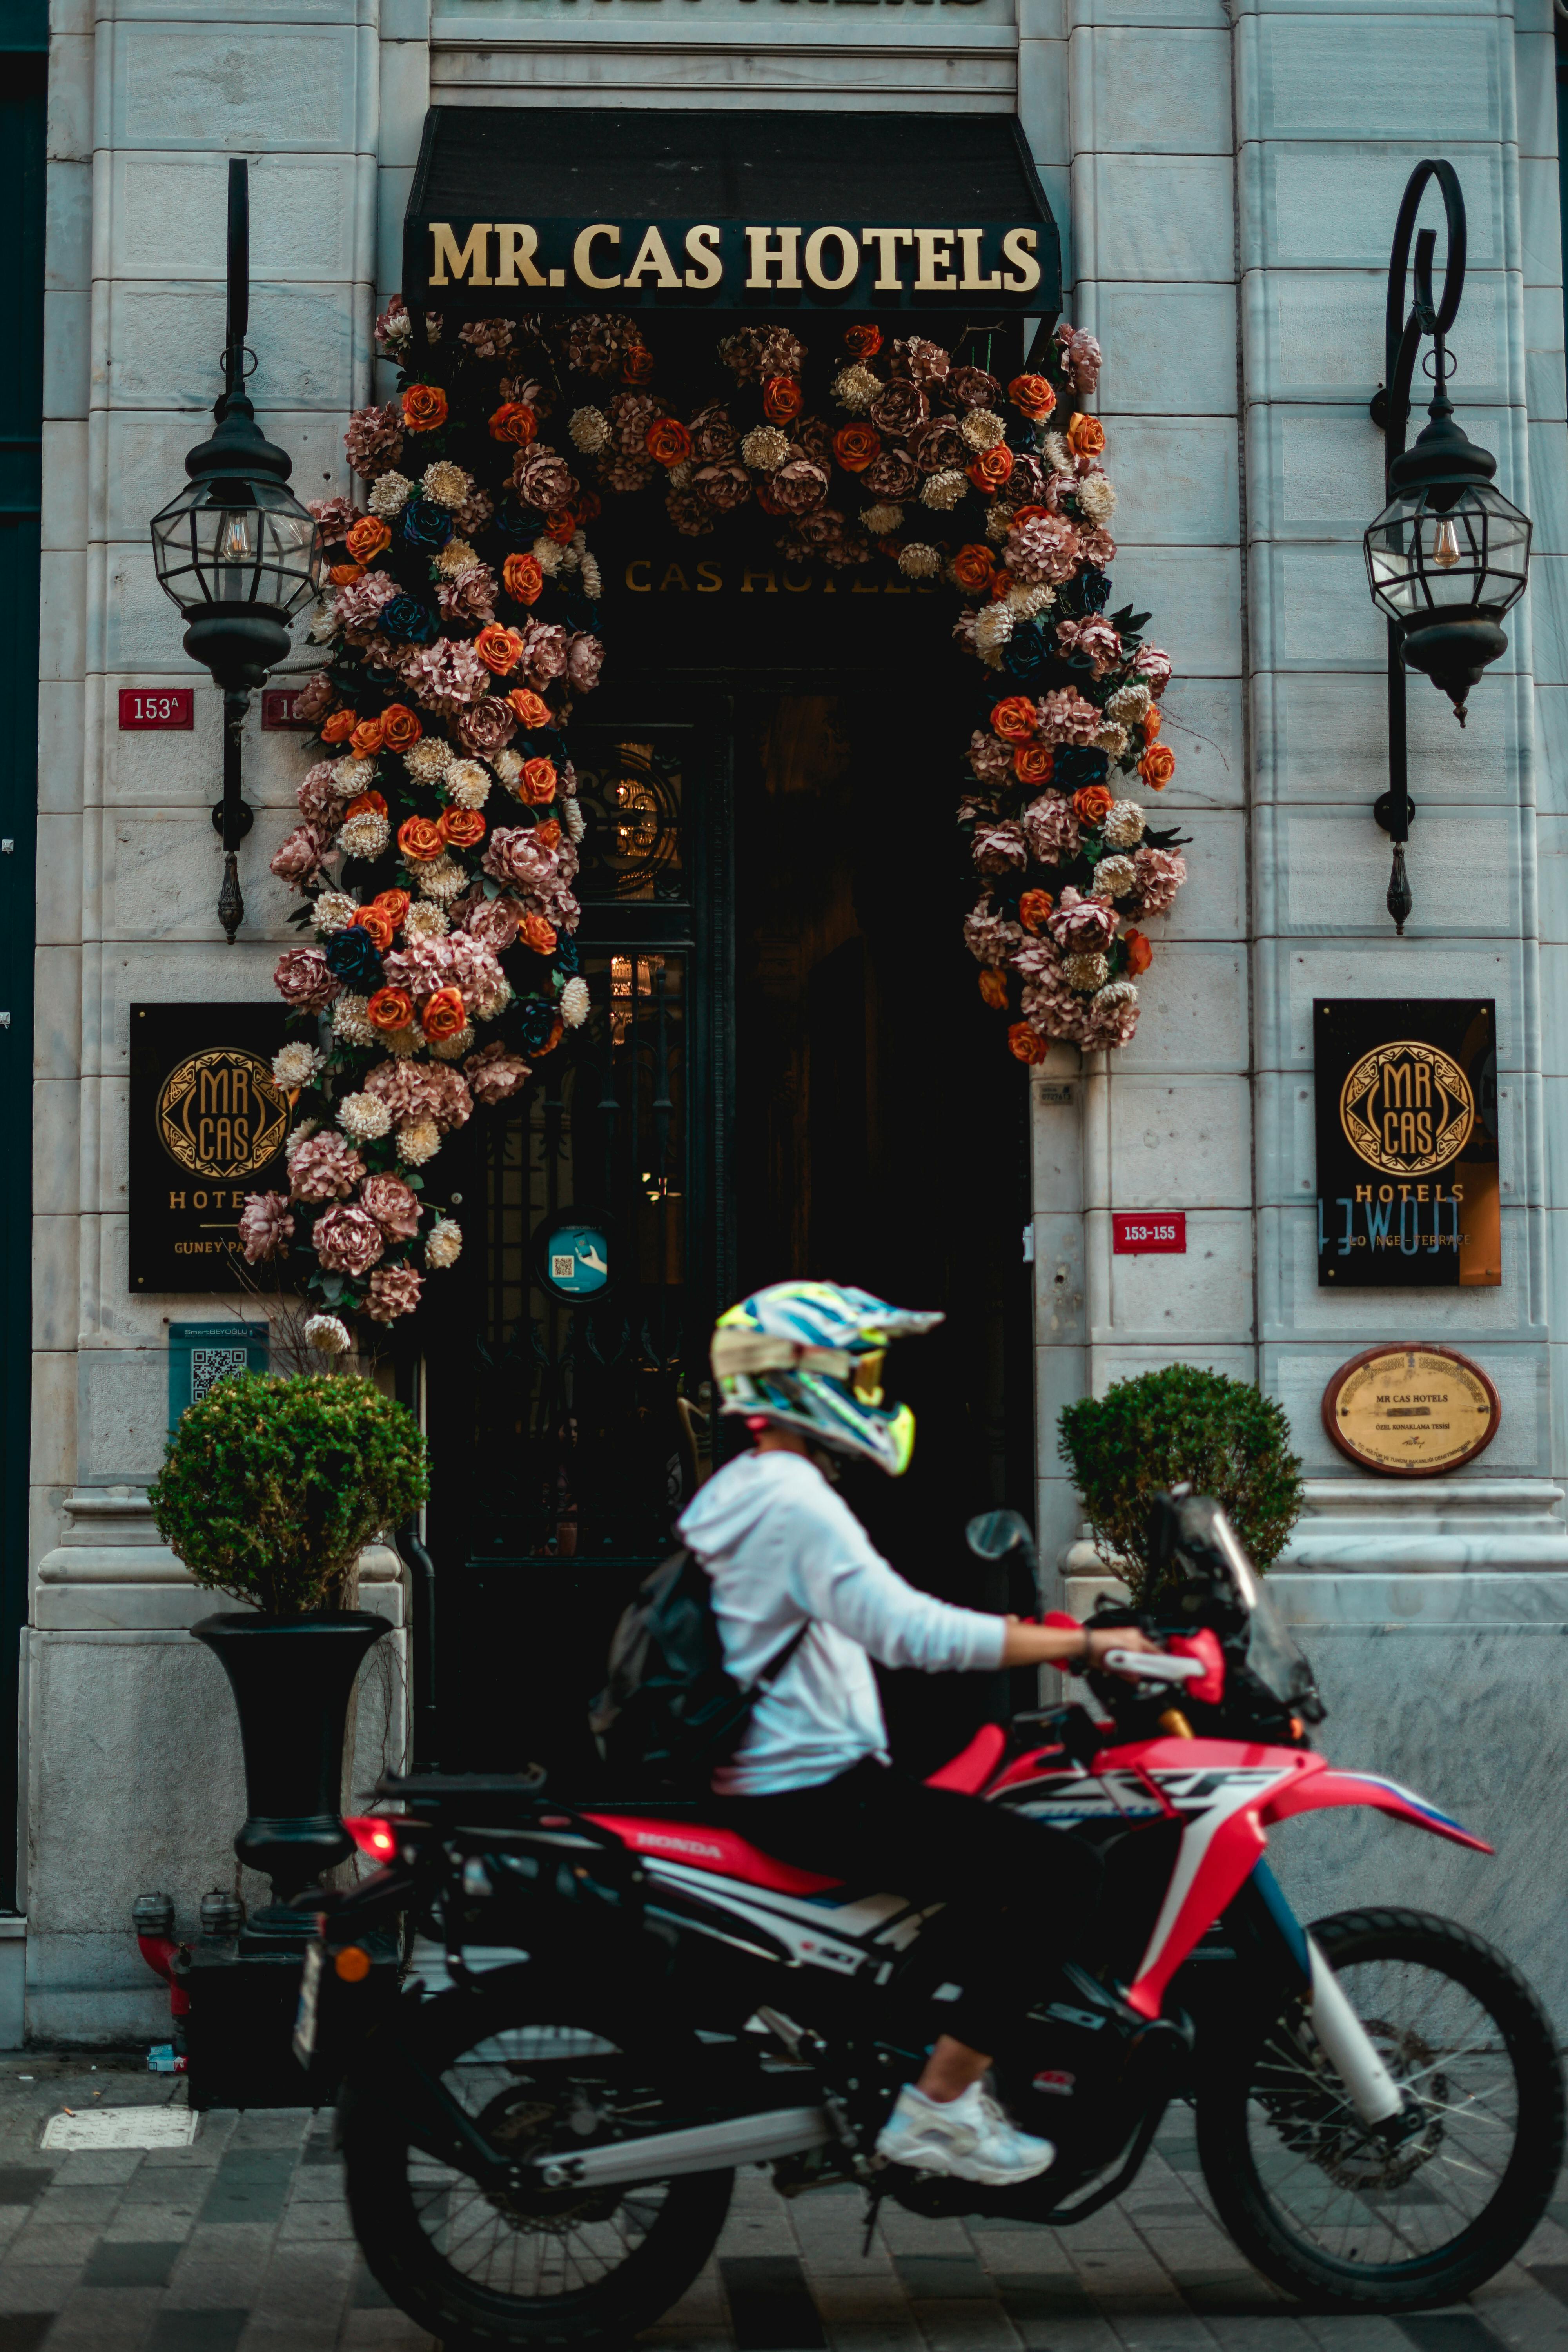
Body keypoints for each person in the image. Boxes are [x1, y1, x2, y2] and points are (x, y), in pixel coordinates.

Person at [676, 1280, 1159, 2190]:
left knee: (979, 1868)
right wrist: (1083, 1641)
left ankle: (907, 2061)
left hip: (784, 1781)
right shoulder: (790, 1499)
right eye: (858, 1366)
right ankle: (938, 2106)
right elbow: (912, 1634)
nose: (871, 1384)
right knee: (1066, 1874)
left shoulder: (740, 1488)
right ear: (800, 1377)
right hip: (817, 1795)